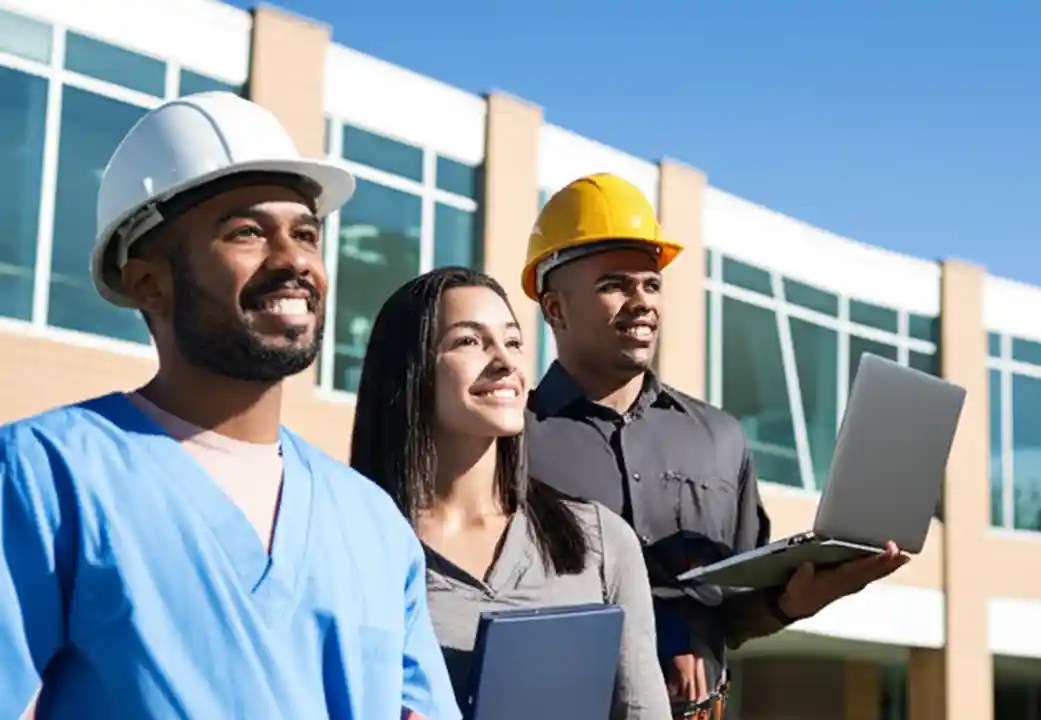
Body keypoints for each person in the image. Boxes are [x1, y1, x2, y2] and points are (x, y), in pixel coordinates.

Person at [0, 92, 459, 720]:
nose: (295, 260)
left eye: (306, 234)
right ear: (148, 282)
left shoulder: (373, 524)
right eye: (247, 232)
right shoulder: (43, 478)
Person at [521, 173, 912, 717]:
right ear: (555, 309)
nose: (642, 302)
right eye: (614, 284)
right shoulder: (509, 441)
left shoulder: (720, 438)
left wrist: (790, 602)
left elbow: (736, 610)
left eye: (651, 284)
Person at [348, 266, 672, 720]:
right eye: (470, 341)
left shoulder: (601, 542)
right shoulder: (350, 546)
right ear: (410, 370)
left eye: (514, 341)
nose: (505, 362)